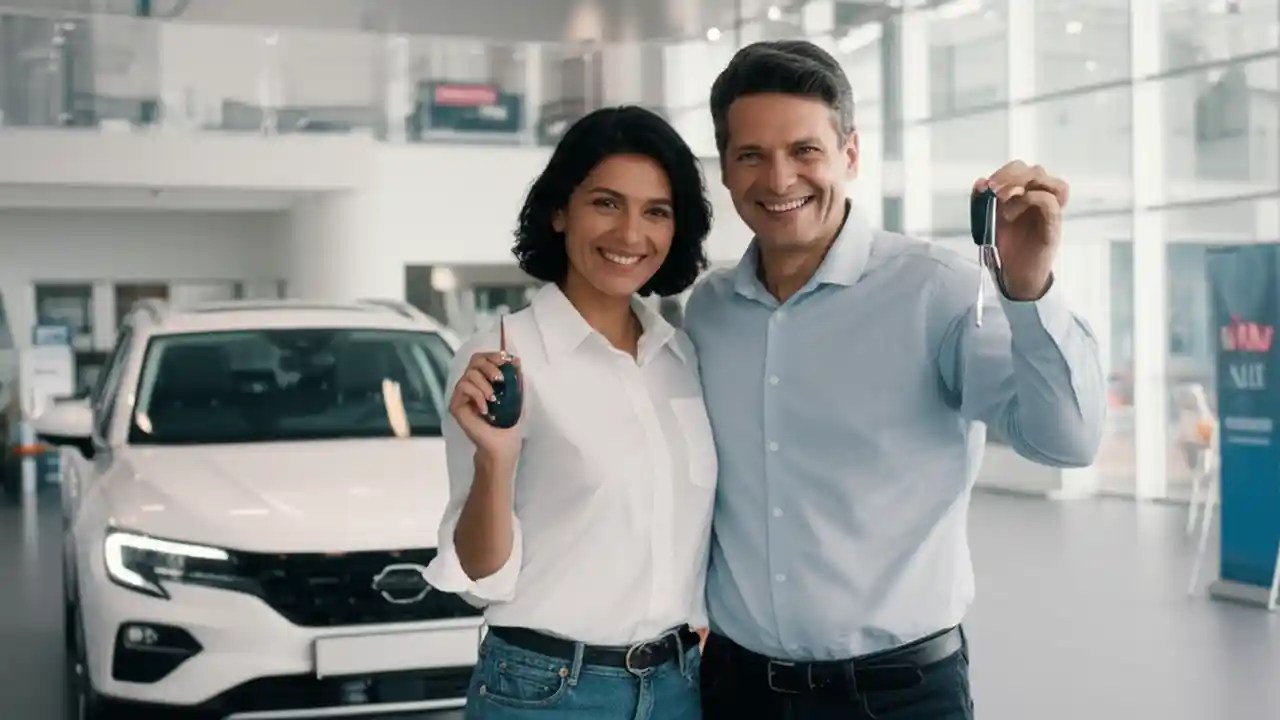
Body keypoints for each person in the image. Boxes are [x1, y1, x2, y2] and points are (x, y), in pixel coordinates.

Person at [684, 40, 1107, 719]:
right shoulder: (708, 312)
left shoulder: (936, 292)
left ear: (849, 155)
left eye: (805, 151)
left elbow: (1069, 442)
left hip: (898, 697)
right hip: (736, 689)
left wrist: (1028, 290)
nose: (779, 178)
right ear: (726, 171)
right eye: (751, 156)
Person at [423, 105, 716, 720]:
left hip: (680, 688)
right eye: (607, 203)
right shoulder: (501, 356)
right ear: (561, 210)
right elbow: (482, 574)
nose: (631, 235)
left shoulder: (680, 355)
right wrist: (495, 461)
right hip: (547, 692)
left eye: (655, 211)